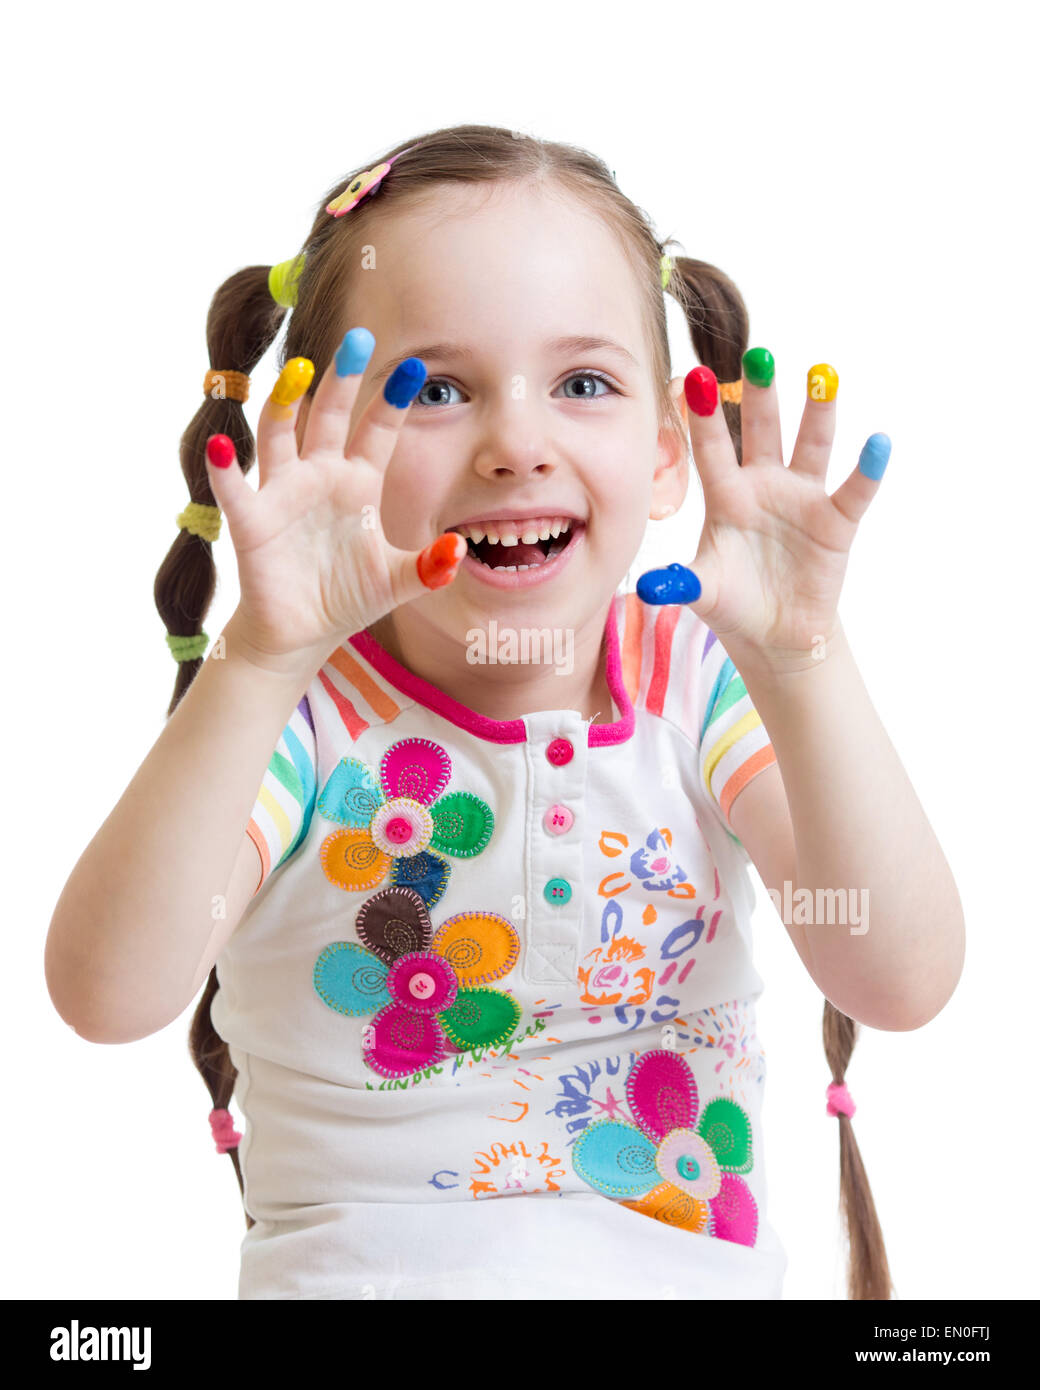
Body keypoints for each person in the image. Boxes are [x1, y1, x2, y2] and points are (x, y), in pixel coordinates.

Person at [45, 123, 964, 1301]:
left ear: (670, 451)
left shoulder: (696, 685)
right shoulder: (305, 719)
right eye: (435, 389)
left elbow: (901, 976)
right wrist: (262, 661)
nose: (515, 444)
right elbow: (107, 994)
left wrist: (801, 661)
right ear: (321, 442)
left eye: (582, 383)